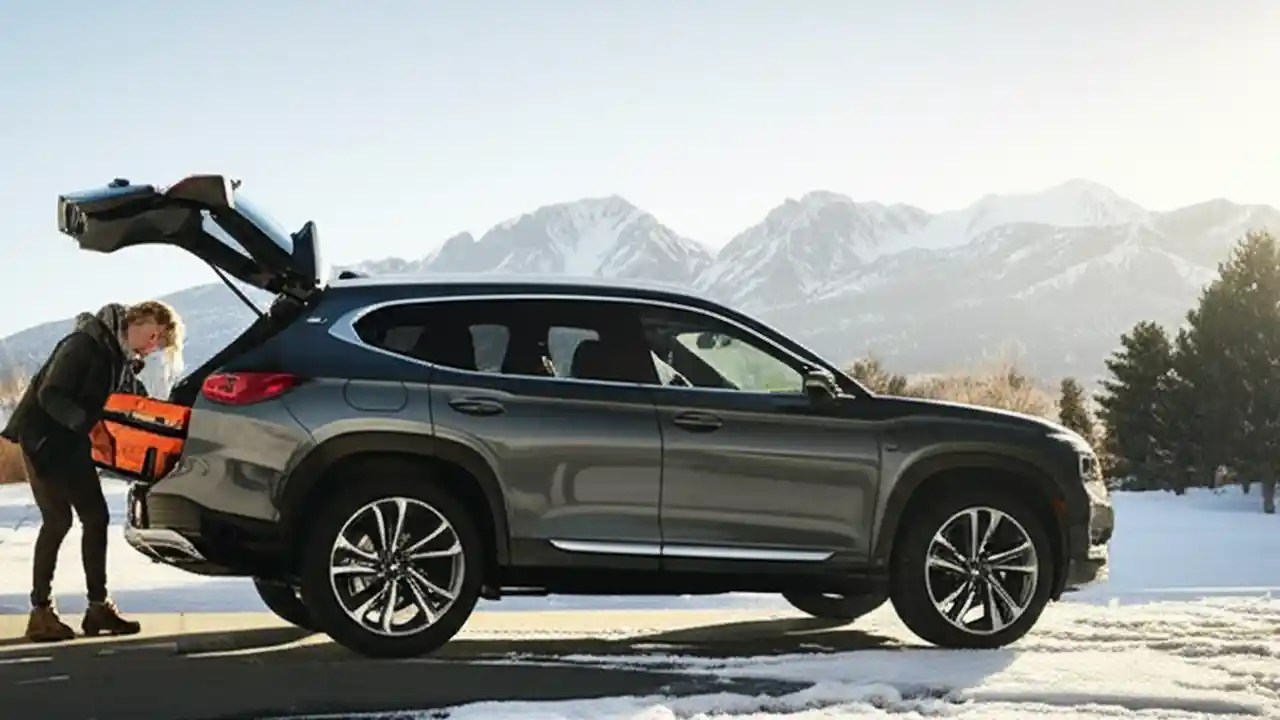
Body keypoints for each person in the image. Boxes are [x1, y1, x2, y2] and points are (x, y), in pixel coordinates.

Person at [1, 300, 184, 642]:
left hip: (72, 443)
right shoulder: (84, 344)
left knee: (96, 517)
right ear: (139, 320)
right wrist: (88, 424)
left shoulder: (120, 357)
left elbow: (135, 404)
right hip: (41, 437)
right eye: (155, 336)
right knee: (58, 520)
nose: (154, 345)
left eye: (160, 343)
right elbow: (51, 394)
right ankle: (41, 612)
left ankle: (98, 608)